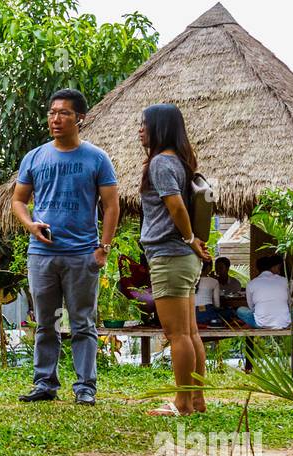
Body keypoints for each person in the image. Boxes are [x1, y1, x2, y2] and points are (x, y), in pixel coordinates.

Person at [11, 88, 120, 406]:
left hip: (82, 254)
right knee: (46, 322)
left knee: (83, 322)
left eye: (64, 113)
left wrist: (104, 247)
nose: (55, 119)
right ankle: (45, 383)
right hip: (42, 255)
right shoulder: (35, 157)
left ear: (80, 118)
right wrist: (30, 224)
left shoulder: (97, 158)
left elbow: (111, 206)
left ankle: (85, 385)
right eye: (51, 112)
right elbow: (18, 200)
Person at [137, 104, 211, 416]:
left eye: (144, 125)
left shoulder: (160, 163)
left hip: (170, 255)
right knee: (190, 332)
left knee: (177, 334)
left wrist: (189, 238)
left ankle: (182, 403)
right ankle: (196, 400)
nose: (139, 130)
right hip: (182, 258)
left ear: (159, 128)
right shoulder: (179, 162)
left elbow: (176, 207)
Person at [236, 256, 292, 329]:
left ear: (257, 269)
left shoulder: (251, 284)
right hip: (283, 324)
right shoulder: (284, 280)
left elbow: (251, 307)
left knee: (240, 310)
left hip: (261, 324)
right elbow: (289, 303)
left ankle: (258, 324)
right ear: (272, 267)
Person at [194, 261, 222, 326]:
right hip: (207, 314)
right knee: (228, 312)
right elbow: (217, 305)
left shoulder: (190, 280)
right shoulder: (214, 281)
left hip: (191, 315)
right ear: (208, 268)